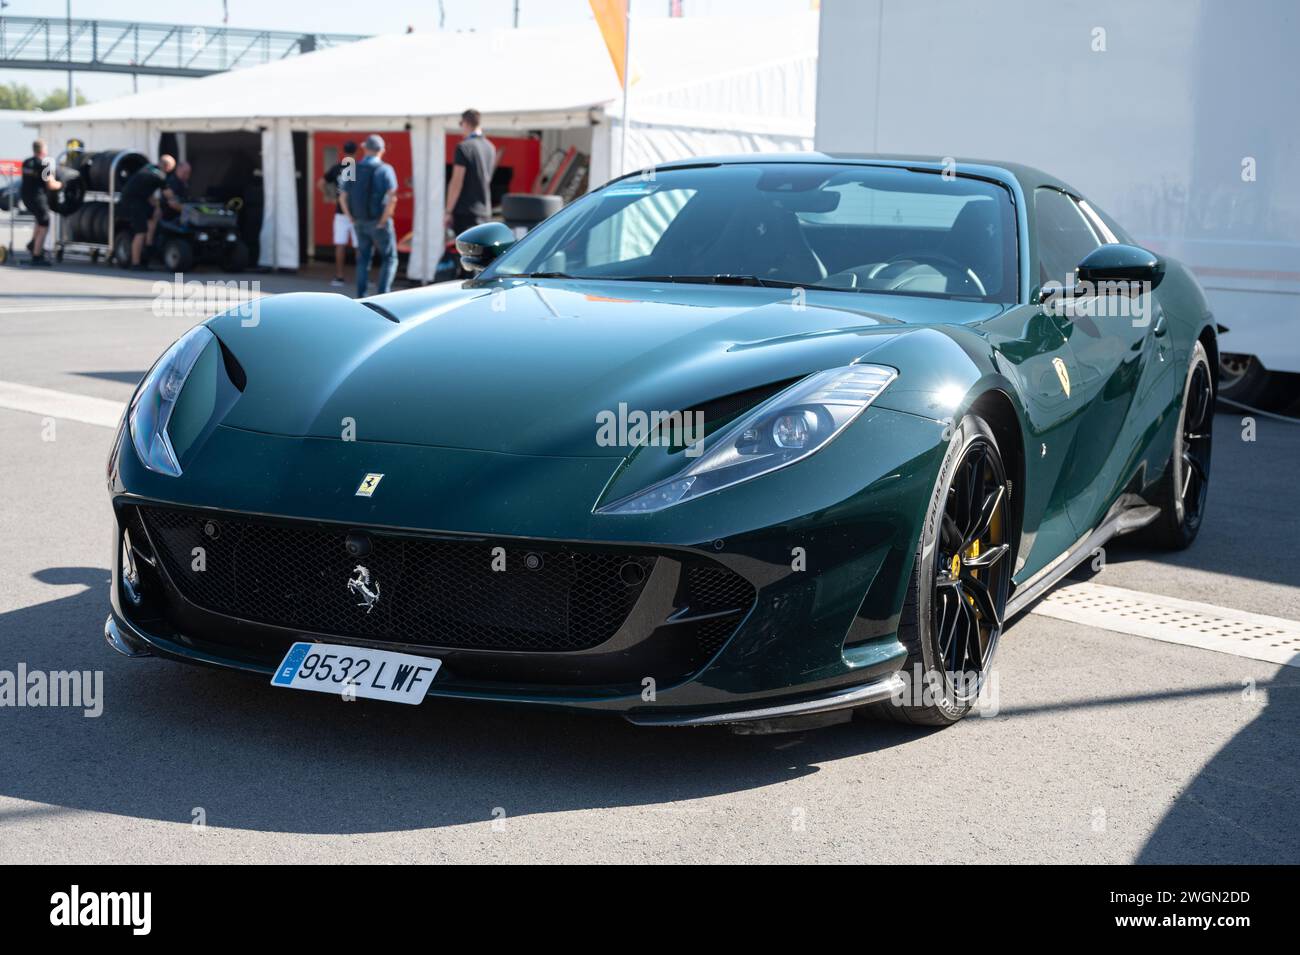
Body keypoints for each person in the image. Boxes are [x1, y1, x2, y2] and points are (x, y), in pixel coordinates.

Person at [341, 134, 399, 297]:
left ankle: (361, 296)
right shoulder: (385, 169)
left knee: (363, 259)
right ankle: (383, 295)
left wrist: (350, 217)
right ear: (382, 150)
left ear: (365, 148)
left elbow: (342, 197)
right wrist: (383, 220)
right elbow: (392, 198)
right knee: (390, 258)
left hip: (359, 220)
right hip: (378, 221)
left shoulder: (352, 168)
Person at [444, 109, 496, 237]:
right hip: (485, 212)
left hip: (466, 213)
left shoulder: (464, 147)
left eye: (460, 123)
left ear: (466, 123)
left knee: (465, 254)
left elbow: (457, 181)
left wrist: (448, 211)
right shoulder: (490, 147)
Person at [121, 154, 175, 270]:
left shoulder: (148, 167)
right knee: (140, 232)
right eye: (171, 169)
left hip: (134, 199)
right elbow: (169, 195)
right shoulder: (160, 176)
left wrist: (156, 205)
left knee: (155, 213)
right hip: (134, 203)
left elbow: (145, 189)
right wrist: (180, 202)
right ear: (167, 167)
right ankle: (136, 263)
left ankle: (149, 243)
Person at [319, 140, 358, 287]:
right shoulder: (359, 168)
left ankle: (339, 276)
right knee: (359, 246)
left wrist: (330, 196)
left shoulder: (336, 168)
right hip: (356, 213)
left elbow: (321, 183)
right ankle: (362, 276)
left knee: (340, 245)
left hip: (340, 212)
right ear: (356, 152)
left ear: (343, 151)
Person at [20, 139, 63, 266]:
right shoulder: (44, 164)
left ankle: (33, 243)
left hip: (26, 197)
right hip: (38, 198)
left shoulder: (26, 163)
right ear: (42, 149)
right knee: (45, 223)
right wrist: (63, 184)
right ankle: (37, 256)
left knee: (39, 221)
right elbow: (50, 184)